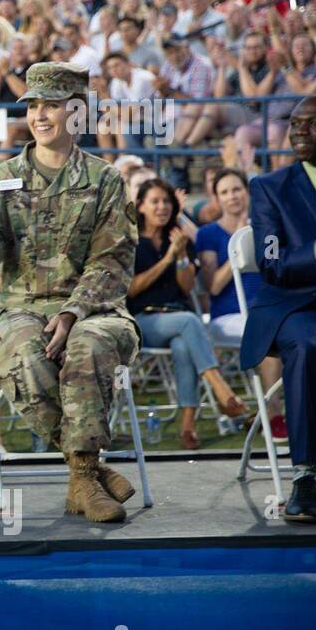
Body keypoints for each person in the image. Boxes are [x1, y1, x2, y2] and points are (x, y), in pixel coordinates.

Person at [0, 62, 141, 523]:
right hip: (19, 309)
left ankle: (84, 479)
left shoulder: (105, 180)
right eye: (33, 106)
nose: (40, 115)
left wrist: (71, 313)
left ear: (77, 112)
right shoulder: (2, 178)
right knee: (24, 353)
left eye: (52, 104)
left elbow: (112, 261)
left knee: (84, 346)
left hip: (95, 308)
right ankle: (87, 473)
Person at [241, 94, 316, 522]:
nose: (299, 132)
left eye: (312, 124)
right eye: (295, 124)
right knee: (311, 343)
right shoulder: (269, 188)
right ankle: (305, 477)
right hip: (293, 306)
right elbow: (273, 264)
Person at [128, 177, 246, 449]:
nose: (162, 207)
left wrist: (180, 255)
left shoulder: (179, 238)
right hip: (142, 321)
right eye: (155, 201)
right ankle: (220, 388)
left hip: (179, 320)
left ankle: (187, 427)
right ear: (141, 207)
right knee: (189, 321)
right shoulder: (130, 242)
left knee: (183, 345)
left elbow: (187, 285)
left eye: (167, 201)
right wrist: (168, 259)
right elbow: (132, 289)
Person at [194, 168, 286, 440]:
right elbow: (212, 285)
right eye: (225, 192)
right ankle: (274, 413)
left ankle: (291, 410)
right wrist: (239, 246)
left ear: (246, 193)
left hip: (267, 309)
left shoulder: (267, 228)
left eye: (237, 189)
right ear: (217, 198)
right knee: (269, 332)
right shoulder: (208, 234)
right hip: (228, 315)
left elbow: (279, 270)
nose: (232, 196)